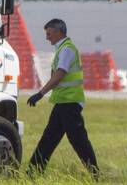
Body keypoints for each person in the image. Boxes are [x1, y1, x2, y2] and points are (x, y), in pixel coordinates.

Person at [26, 18, 99, 176]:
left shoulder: (67, 49)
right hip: (63, 103)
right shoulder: (62, 49)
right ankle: (32, 173)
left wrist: (40, 93)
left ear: (59, 32)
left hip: (70, 104)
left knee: (78, 141)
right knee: (49, 140)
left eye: (49, 33)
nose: (47, 37)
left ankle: (95, 174)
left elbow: (60, 74)